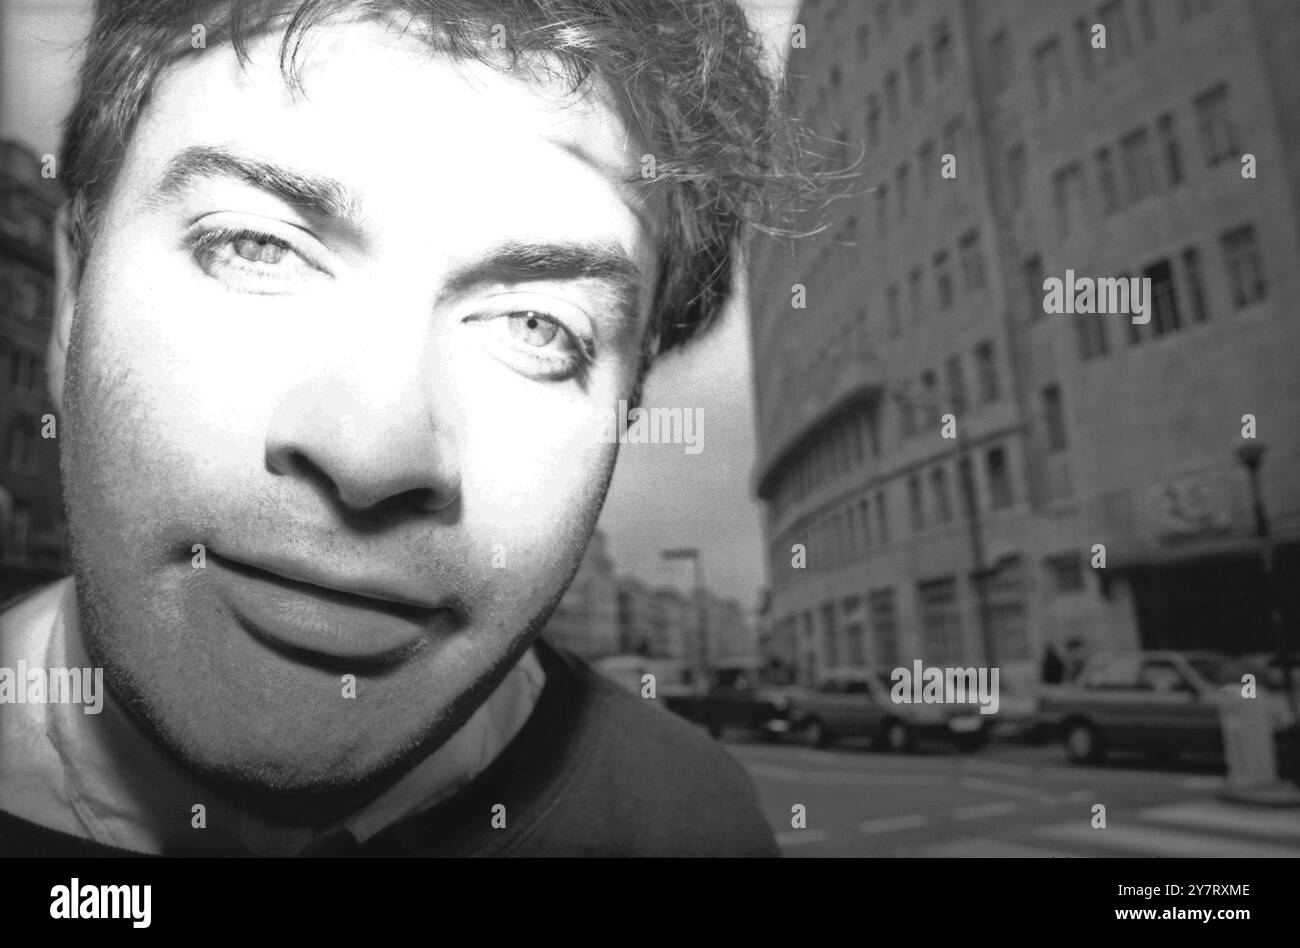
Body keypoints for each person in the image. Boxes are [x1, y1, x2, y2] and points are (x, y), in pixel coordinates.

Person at [0, 0, 803, 857]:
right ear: (73, 297)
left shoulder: (689, 825)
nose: (372, 453)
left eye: (536, 326)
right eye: (255, 247)